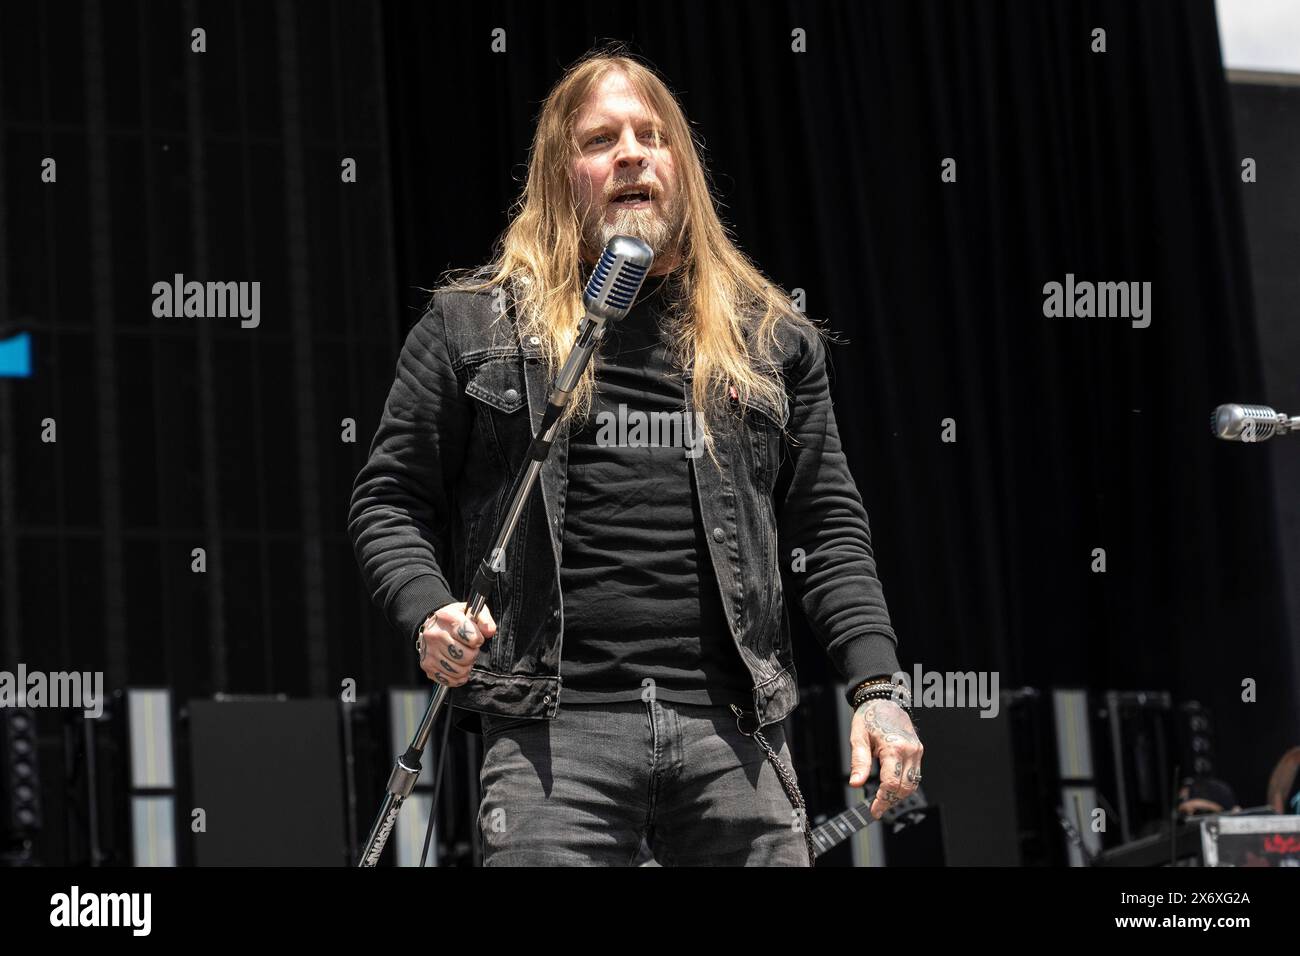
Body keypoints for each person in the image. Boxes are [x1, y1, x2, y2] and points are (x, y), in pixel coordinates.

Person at [348, 46, 922, 866]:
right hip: (556, 746)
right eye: (601, 139)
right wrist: (427, 608)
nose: (632, 153)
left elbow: (829, 527)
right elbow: (389, 499)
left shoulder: (770, 340)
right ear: (559, 175)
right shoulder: (474, 327)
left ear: (680, 169)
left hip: (735, 740)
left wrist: (877, 691)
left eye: (654, 137)